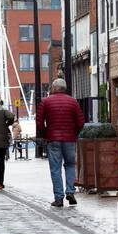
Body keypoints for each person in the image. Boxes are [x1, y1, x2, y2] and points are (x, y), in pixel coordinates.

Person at [36, 77, 86, 207]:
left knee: (55, 169)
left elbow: (39, 122)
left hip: (53, 139)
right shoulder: (73, 102)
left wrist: (45, 134)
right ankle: (70, 191)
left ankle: (59, 198)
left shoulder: (45, 102)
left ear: (54, 88)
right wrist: (74, 133)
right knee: (70, 165)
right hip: (69, 139)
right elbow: (81, 122)